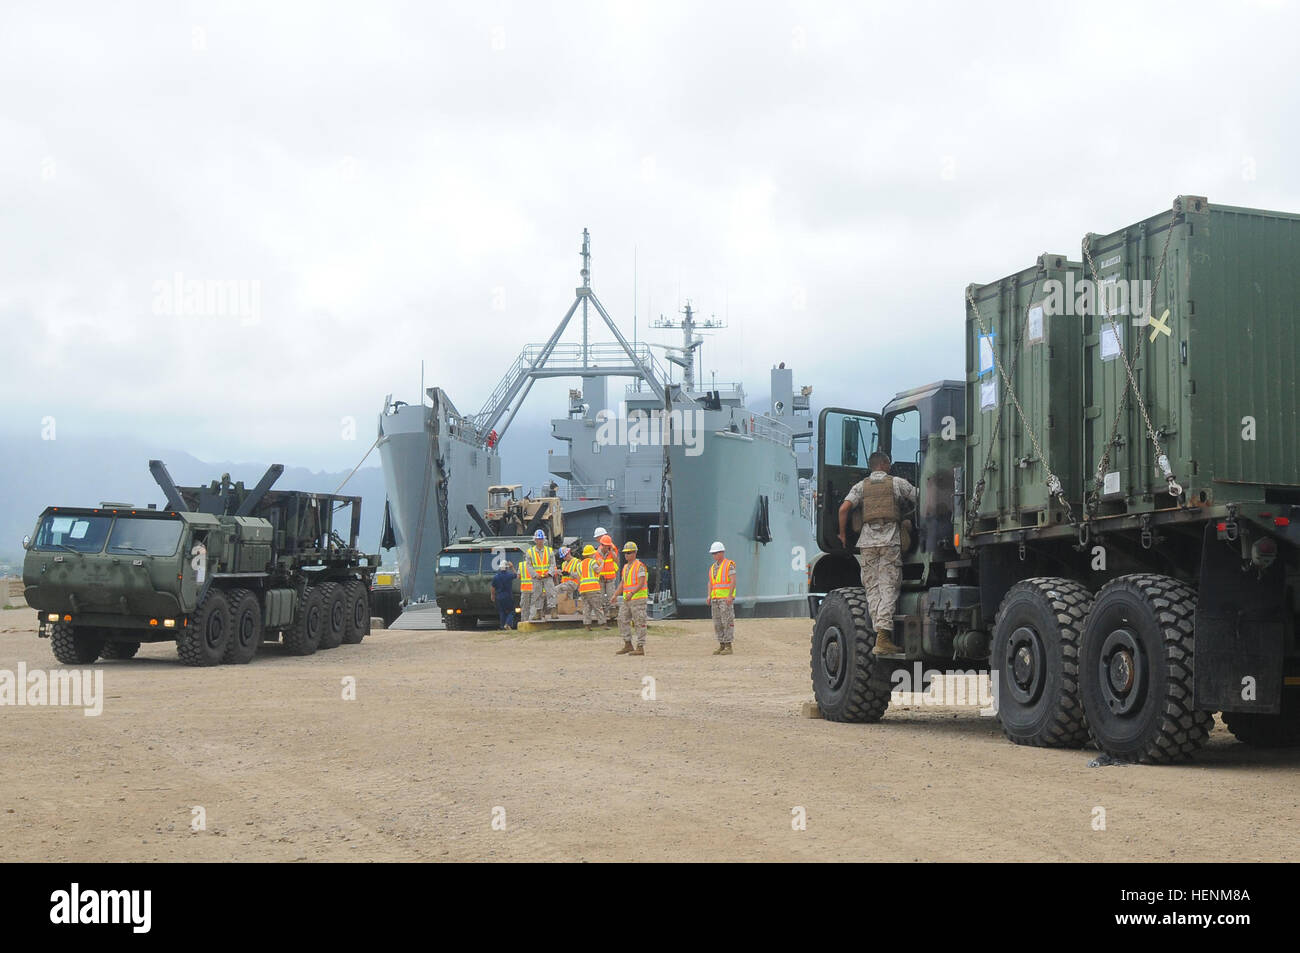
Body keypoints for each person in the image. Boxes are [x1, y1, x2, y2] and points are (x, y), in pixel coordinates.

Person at [838, 450, 918, 655]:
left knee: (872, 588)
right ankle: (883, 636)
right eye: (888, 463)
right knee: (888, 586)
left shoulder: (860, 487)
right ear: (883, 464)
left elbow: (843, 509)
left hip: (867, 543)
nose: (890, 466)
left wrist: (843, 535)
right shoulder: (897, 483)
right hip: (889, 541)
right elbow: (920, 498)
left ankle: (878, 634)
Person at [615, 541, 649, 656]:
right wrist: (615, 595)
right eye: (625, 553)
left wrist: (632, 593)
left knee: (639, 622)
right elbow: (623, 583)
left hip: (638, 599)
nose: (626, 555)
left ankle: (640, 646)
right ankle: (628, 644)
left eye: (629, 553)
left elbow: (641, 582)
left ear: (634, 553)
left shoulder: (640, 566)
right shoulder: (625, 567)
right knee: (622, 619)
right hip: (627, 600)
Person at [707, 540, 736, 655]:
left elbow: (733, 580)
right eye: (713, 553)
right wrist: (709, 595)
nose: (714, 555)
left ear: (722, 552)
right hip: (715, 599)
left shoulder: (729, 565)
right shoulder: (713, 567)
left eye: (716, 553)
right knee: (717, 622)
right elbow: (710, 582)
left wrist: (730, 595)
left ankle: (728, 645)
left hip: (725, 599)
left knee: (727, 621)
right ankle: (721, 644)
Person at [527, 529, 557, 621]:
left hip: (547, 576)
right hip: (537, 578)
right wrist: (535, 575)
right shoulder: (530, 552)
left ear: (544, 540)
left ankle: (553, 612)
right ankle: (538, 613)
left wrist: (549, 573)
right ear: (535, 540)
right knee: (537, 595)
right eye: (538, 539)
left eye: (541, 539)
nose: (540, 541)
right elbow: (529, 565)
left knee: (551, 593)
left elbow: (553, 564)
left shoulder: (549, 551)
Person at [577, 544, 607, 629]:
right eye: (593, 553)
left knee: (586, 608)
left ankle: (587, 625)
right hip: (593, 588)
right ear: (590, 554)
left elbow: (579, 578)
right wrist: (602, 563)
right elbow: (597, 570)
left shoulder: (579, 565)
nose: (594, 555)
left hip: (583, 589)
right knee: (598, 607)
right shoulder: (592, 562)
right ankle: (602, 624)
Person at [597, 533, 620, 625]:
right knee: (601, 596)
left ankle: (613, 611)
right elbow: (597, 563)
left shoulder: (612, 551)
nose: (607, 547)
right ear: (602, 545)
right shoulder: (597, 553)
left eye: (608, 546)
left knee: (611, 594)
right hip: (601, 578)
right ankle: (603, 613)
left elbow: (616, 560)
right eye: (606, 546)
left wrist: (611, 552)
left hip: (610, 577)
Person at [490, 560, 518, 630]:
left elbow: (493, 588)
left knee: (502, 612)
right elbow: (516, 575)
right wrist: (512, 567)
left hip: (499, 597)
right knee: (511, 611)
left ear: (500, 568)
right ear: (506, 568)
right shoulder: (509, 575)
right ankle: (507, 624)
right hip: (508, 596)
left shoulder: (496, 577)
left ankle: (502, 626)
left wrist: (492, 596)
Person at [518, 557, 533, 623]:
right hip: (534, 589)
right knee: (534, 606)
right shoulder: (535, 564)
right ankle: (533, 621)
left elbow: (518, 576)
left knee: (524, 607)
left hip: (525, 589)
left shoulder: (521, 565)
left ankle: (524, 622)